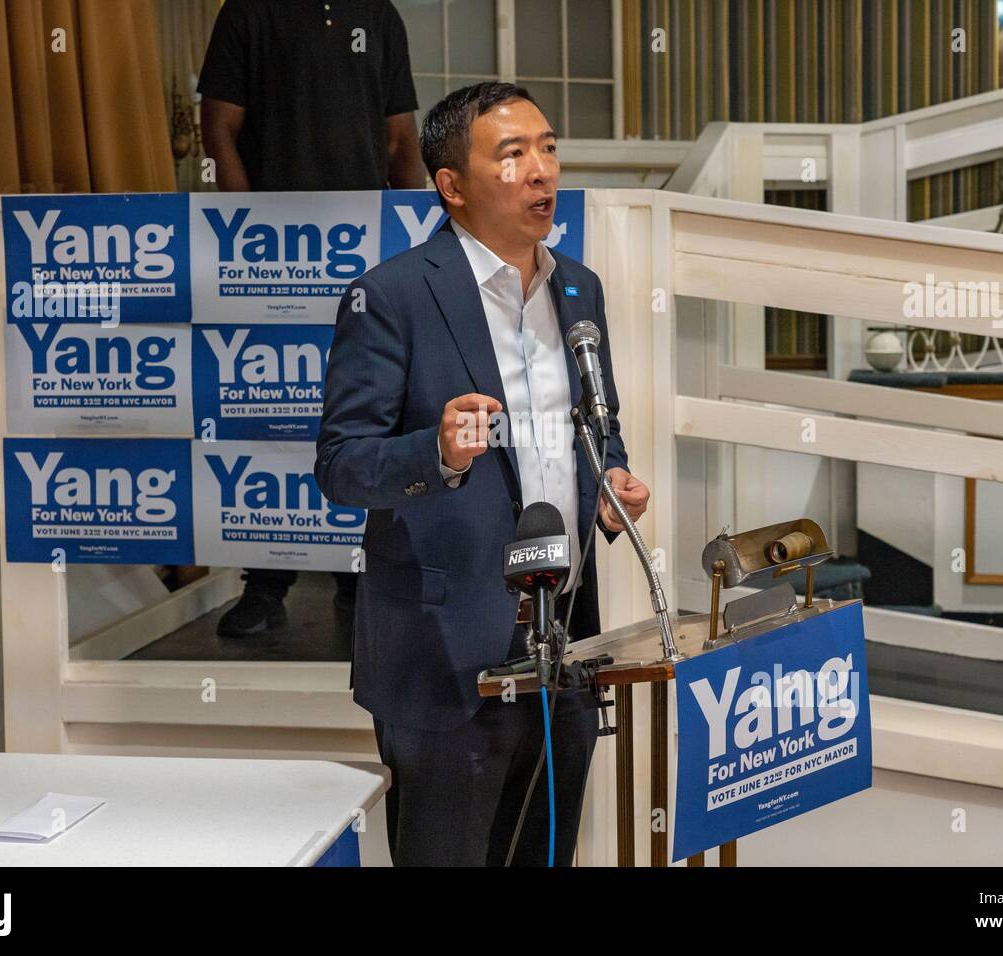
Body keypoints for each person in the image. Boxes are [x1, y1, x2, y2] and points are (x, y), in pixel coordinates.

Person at [315, 83, 650, 866]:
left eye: (548, 147)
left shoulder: (579, 289)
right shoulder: (391, 297)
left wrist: (611, 479)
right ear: (452, 186)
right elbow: (341, 466)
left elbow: (599, 427)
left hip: (564, 645)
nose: (542, 171)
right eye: (513, 154)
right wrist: (435, 454)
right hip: (443, 658)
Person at [197, 0, 427, 636]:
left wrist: (421, 237)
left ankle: (358, 583)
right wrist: (247, 231)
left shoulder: (379, 15)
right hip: (273, 255)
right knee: (270, 410)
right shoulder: (248, 13)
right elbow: (218, 129)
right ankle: (267, 583)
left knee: (362, 411)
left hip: (361, 247)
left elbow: (401, 138)